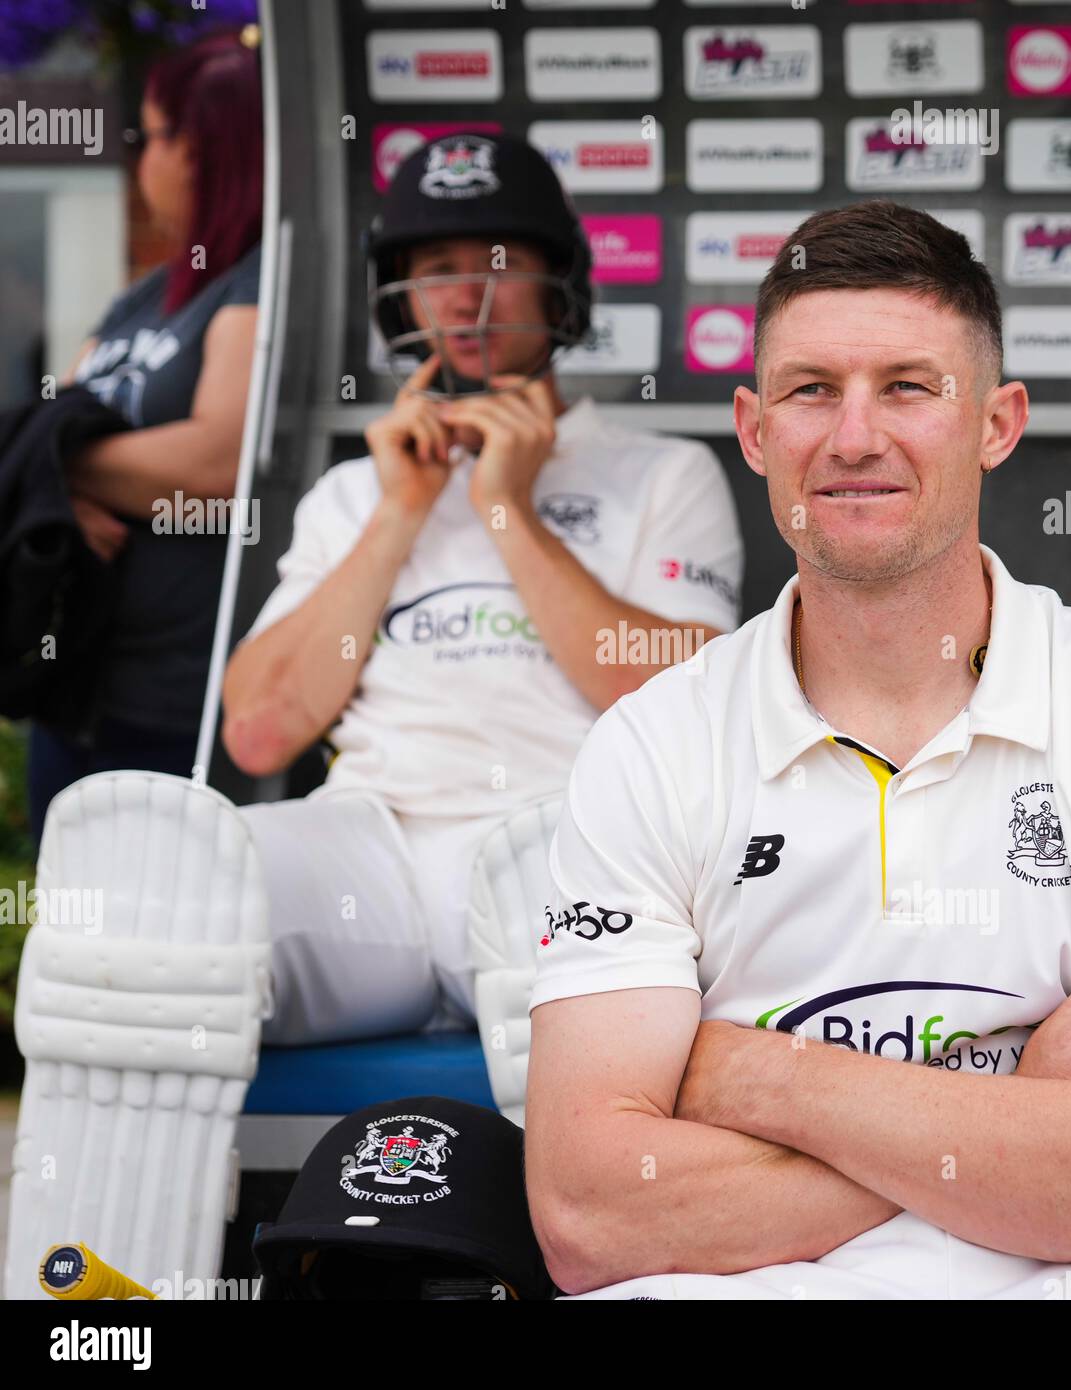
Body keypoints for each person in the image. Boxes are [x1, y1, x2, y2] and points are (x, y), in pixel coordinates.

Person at [0, 131, 744, 1299]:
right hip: (380, 866)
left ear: (563, 284)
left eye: (498, 260)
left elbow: (670, 698)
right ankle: (101, 1307)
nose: (468, 292)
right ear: (399, 294)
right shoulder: (356, 490)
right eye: (436, 264)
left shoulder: (661, 472)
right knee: (150, 880)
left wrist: (507, 509)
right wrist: (403, 510)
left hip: (578, 847)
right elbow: (257, 733)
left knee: (541, 881)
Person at [524, 200, 1071, 1300]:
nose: (855, 436)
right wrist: (1020, 1093)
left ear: (997, 423)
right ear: (754, 427)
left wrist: (759, 1077)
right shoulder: (651, 742)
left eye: (910, 388)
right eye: (811, 389)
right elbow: (590, 1211)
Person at [25, 29, 263, 845]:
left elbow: (215, 462)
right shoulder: (149, 295)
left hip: (185, 706)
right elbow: (36, 435)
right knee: (76, 947)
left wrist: (62, 472)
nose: (139, 161)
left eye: (152, 136)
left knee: (175, 947)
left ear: (208, 149)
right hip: (81, 694)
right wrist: (61, 473)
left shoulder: (258, 278)